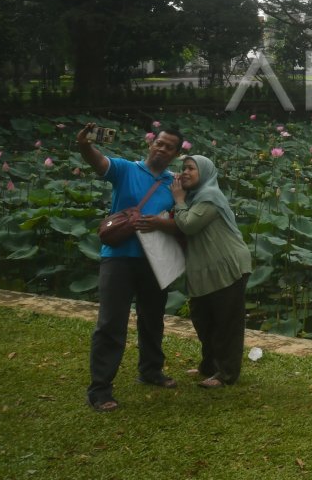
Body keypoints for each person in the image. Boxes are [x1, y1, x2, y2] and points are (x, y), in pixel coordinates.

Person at [76, 122, 183, 412]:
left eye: (169, 147)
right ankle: (99, 389)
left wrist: (162, 222)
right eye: (159, 143)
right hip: (119, 257)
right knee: (111, 323)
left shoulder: (173, 183)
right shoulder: (126, 169)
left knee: (153, 318)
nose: (162, 148)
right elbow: (98, 161)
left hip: (154, 260)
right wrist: (85, 144)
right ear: (151, 144)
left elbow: (183, 219)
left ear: (174, 154)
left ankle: (151, 371)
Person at [138, 155, 252, 388]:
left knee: (226, 322)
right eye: (184, 168)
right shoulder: (193, 197)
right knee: (203, 319)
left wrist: (178, 200)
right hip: (203, 268)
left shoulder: (210, 197)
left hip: (226, 265)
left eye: (192, 168)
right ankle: (209, 366)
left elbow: (188, 224)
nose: (185, 172)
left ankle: (226, 373)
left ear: (206, 172)